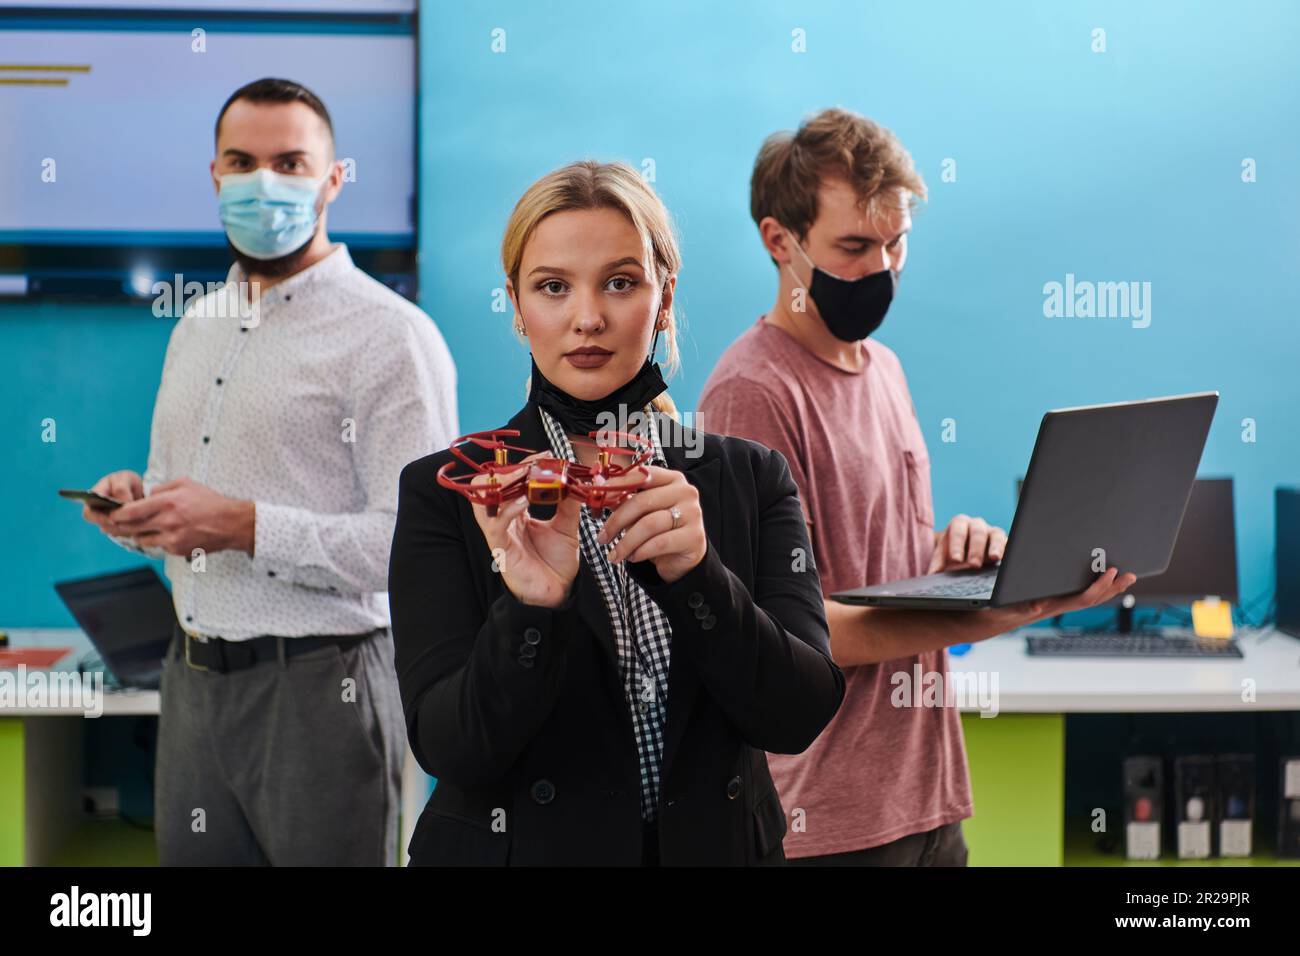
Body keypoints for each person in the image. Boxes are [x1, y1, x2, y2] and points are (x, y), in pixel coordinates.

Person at [698, 108, 1136, 866]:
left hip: (928, 800)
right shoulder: (750, 394)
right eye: (855, 247)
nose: (883, 269)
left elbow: (864, 567)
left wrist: (958, 557)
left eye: (897, 243)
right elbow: (782, 634)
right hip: (826, 823)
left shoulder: (884, 370)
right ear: (780, 242)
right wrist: (1007, 611)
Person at [388, 160, 844, 866]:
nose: (588, 318)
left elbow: (798, 714)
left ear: (664, 299)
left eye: (621, 282)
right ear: (516, 304)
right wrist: (530, 609)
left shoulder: (750, 478)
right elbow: (453, 749)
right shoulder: (449, 491)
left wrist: (699, 576)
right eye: (552, 287)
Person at [81, 77, 458, 865]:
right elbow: (182, 503)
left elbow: (413, 552)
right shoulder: (195, 325)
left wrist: (245, 525)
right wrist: (139, 510)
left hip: (324, 693)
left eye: (290, 162)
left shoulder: (392, 336)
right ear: (214, 176)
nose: (264, 183)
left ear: (333, 178)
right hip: (190, 688)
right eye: (242, 162)